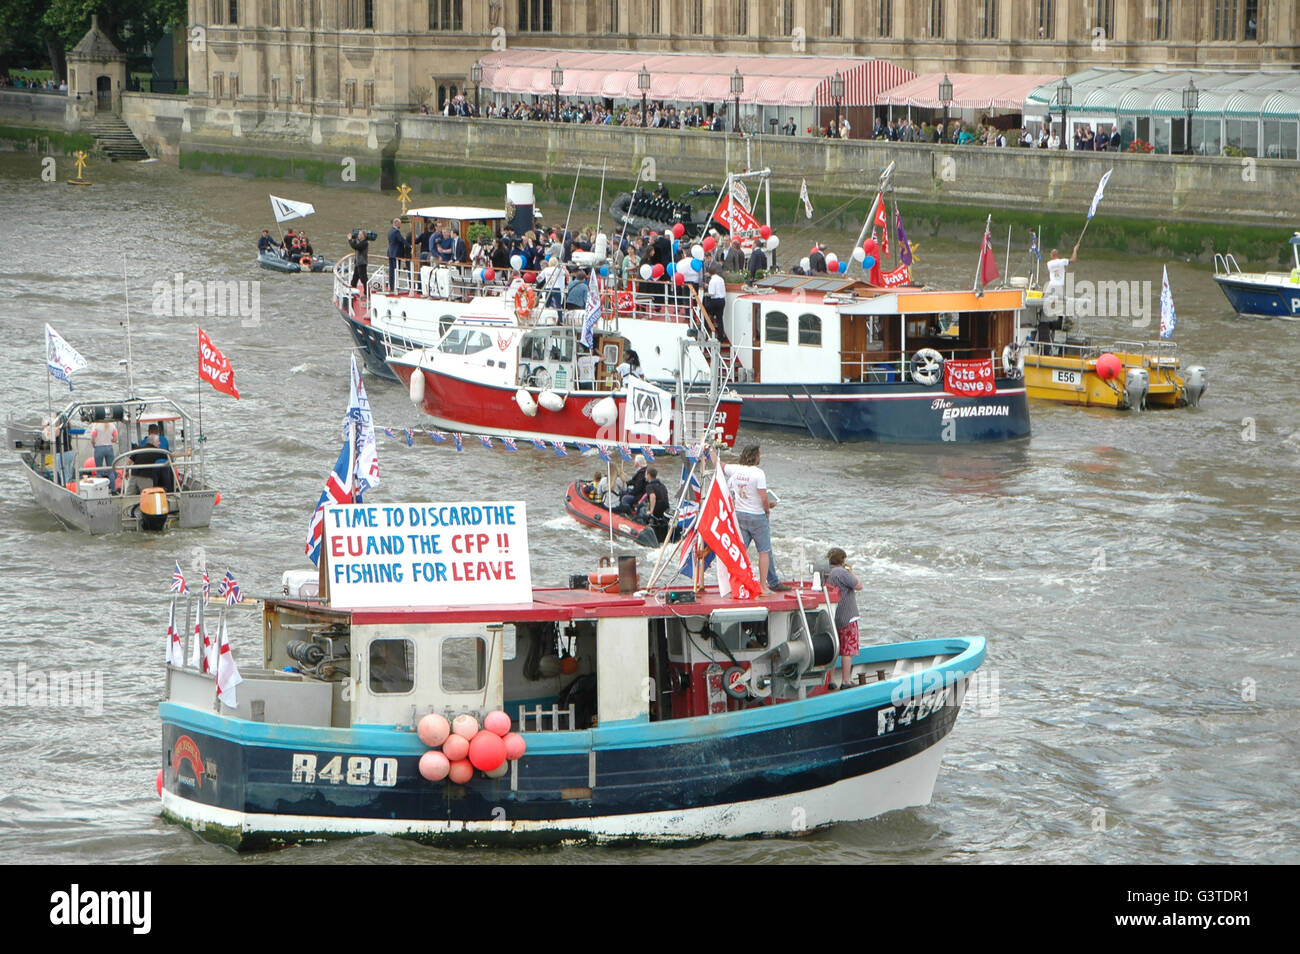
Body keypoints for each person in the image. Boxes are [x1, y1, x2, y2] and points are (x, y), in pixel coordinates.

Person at [723, 445, 788, 594]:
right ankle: (763, 586)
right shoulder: (759, 473)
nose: (761, 457)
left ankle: (734, 584)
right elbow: (763, 497)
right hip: (757, 516)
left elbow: (719, 464)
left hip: (740, 514)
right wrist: (768, 509)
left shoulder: (736, 469)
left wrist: (709, 452)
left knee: (739, 551)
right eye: (760, 454)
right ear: (755, 456)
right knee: (764, 551)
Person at [825, 548, 862, 689]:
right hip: (847, 616)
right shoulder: (842, 572)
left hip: (832, 615)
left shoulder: (825, 572)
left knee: (833, 649)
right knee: (848, 649)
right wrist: (851, 571)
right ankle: (846, 681)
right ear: (842, 560)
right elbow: (858, 585)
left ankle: (830, 681)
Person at [1040, 242, 1080, 354]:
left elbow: (1057, 271)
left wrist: (1063, 270)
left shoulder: (1049, 263)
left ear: (1052, 255)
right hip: (1059, 286)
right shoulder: (1062, 261)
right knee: (1062, 302)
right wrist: (1075, 249)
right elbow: (1073, 259)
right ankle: (1061, 318)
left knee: (1044, 301)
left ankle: (1044, 316)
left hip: (1051, 285)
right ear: (1057, 254)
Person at [641, 467, 671, 542]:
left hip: (657, 509)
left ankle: (642, 527)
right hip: (665, 509)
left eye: (645, 474)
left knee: (642, 510)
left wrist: (651, 511)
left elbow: (652, 496)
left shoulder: (649, 486)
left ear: (648, 475)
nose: (645, 476)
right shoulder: (662, 485)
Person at [704, 263, 727, 341]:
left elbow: (712, 293)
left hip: (715, 300)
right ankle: (720, 336)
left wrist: (706, 293)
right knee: (720, 318)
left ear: (709, 273)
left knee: (705, 311)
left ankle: (706, 330)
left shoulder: (712, 281)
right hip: (722, 300)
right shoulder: (721, 279)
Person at [386, 217, 407, 290]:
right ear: (396, 223)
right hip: (396, 254)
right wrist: (410, 246)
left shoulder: (390, 231)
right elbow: (402, 240)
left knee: (391, 271)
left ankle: (392, 286)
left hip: (390, 253)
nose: (400, 224)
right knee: (396, 270)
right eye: (399, 223)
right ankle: (395, 286)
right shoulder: (396, 232)